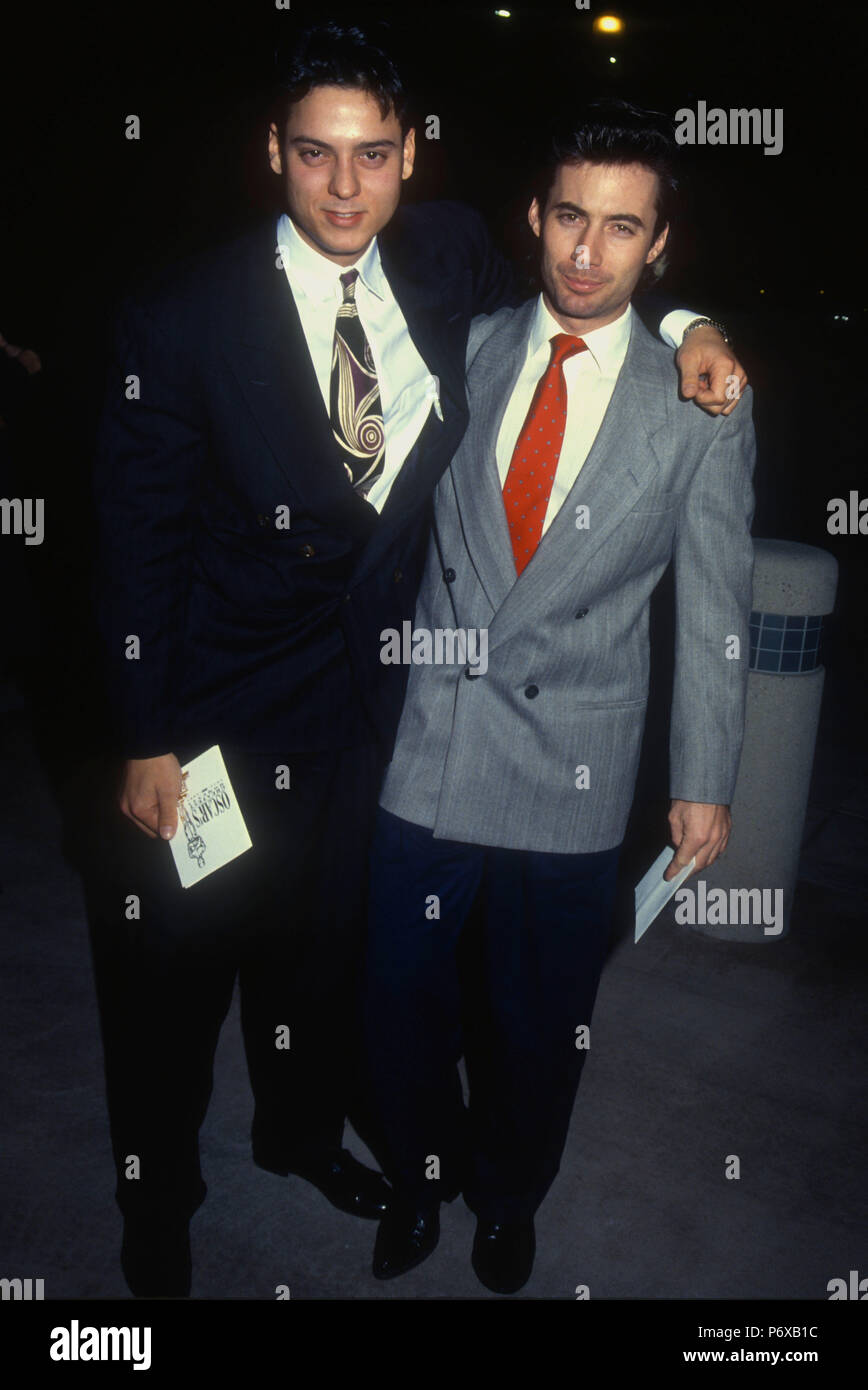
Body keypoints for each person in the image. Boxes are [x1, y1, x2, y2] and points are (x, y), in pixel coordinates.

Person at [90, 18, 744, 1297]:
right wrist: (142, 732)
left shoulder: (444, 265)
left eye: (373, 155)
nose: (345, 187)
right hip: (213, 722)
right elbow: (132, 543)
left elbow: (598, 284)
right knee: (173, 976)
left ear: (407, 164)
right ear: (271, 154)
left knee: (321, 966)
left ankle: (294, 1140)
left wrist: (694, 327)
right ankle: (158, 1208)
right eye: (317, 154)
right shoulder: (178, 317)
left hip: (371, 718)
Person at [362, 100, 756, 1295]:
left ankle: (507, 1195)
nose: (587, 253)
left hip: (574, 765)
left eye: (621, 229)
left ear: (659, 246)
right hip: (431, 746)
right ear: (534, 216)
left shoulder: (700, 402)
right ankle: (422, 1177)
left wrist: (703, 778)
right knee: (400, 1007)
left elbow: (717, 605)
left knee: (538, 1027)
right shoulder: (459, 343)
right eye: (570, 217)